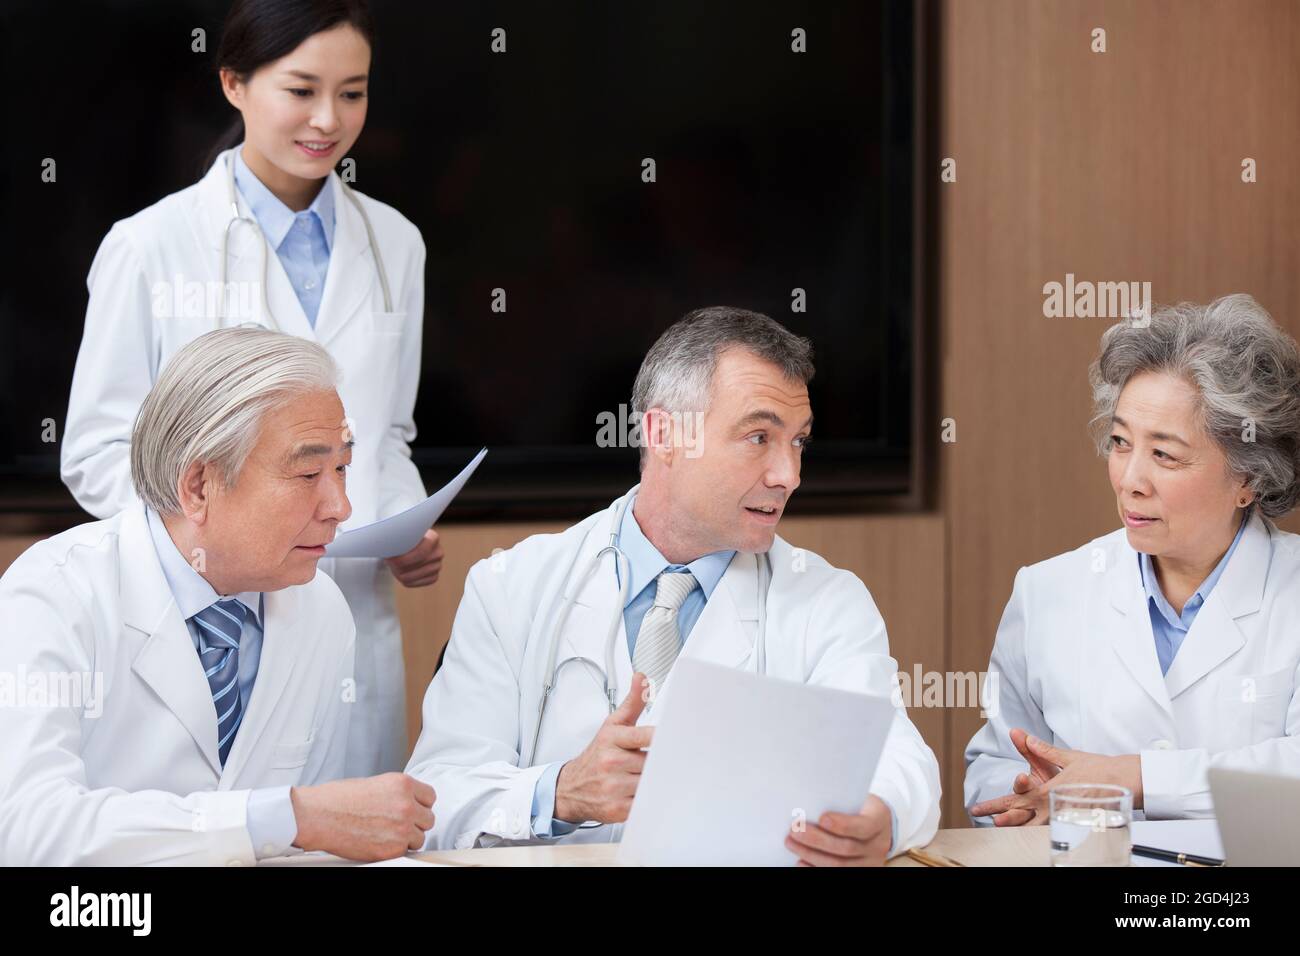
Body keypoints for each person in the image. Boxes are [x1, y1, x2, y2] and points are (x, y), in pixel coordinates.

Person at [406, 307, 941, 864]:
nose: (789, 474)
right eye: (759, 436)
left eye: (799, 442)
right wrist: (560, 792)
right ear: (664, 434)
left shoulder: (826, 600)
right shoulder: (511, 586)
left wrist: (882, 816)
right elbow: (434, 798)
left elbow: (899, 758)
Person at [60, 0, 439, 778]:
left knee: (347, 841)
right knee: (208, 842)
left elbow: (386, 433)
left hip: (351, 622)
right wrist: (212, 545)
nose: (328, 120)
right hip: (204, 616)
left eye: (353, 92)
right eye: (300, 90)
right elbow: (98, 450)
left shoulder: (395, 242)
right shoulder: (150, 245)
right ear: (234, 83)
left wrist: (402, 518)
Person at [0, 329, 434, 865]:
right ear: (199, 486)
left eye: (341, 468)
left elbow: (314, 847)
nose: (340, 507)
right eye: (307, 473)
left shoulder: (321, 609)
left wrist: (304, 824)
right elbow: (26, 829)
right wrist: (287, 817)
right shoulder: (51, 595)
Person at [965, 294, 1300, 825]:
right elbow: (995, 765)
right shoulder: (1047, 590)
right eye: (1121, 443)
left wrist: (1136, 778)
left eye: (1164, 454)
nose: (1130, 481)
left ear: (1249, 475)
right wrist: (1025, 802)